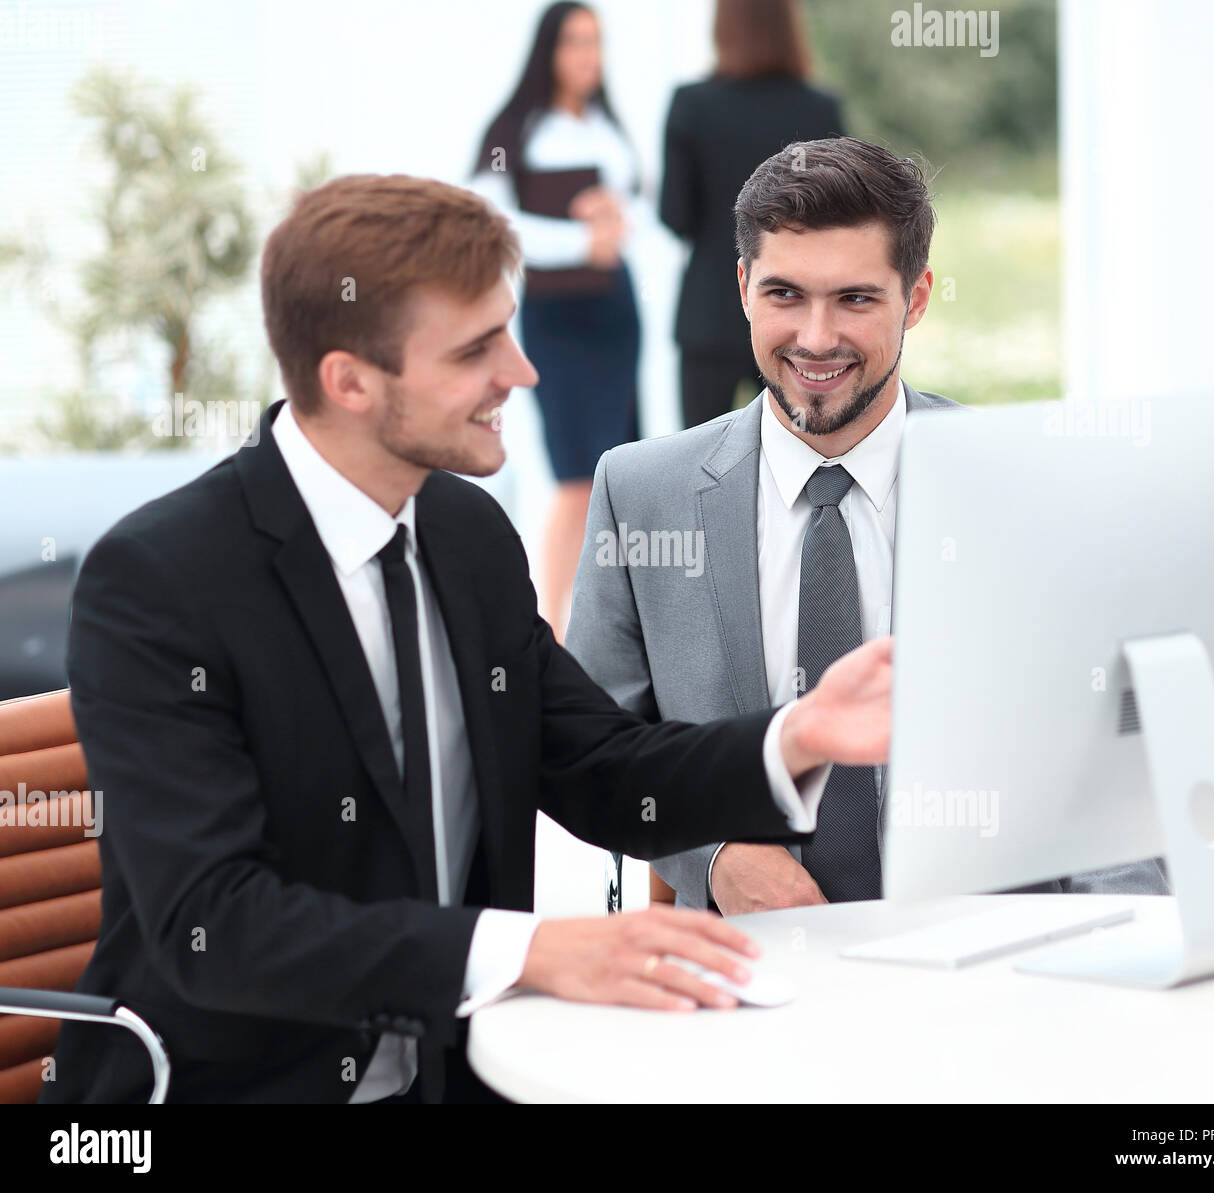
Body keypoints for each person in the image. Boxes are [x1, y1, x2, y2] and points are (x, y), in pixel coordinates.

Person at [38, 173, 895, 1105]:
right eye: (476, 348)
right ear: (351, 381)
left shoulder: (465, 533)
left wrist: (798, 736)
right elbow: (219, 923)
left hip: (463, 1078)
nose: (521, 373)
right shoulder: (161, 581)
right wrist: (533, 948)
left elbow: (601, 768)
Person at [567, 137, 1169, 912]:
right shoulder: (640, 491)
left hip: (993, 969)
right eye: (786, 295)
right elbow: (596, 747)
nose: (816, 339)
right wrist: (712, 854)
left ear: (915, 299)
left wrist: (1131, 946)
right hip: (747, 978)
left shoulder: (1033, 486)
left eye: (855, 299)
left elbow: (1111, 770)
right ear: (745, 286)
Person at [470, 1, 645, 643]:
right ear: (547, 50)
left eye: (595, 42)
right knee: (578, 476)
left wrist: (612, 214)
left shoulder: (607, 125)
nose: (587, 56)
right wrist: (580, 239)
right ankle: (551, 624)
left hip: (616, 314)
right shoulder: (517, 129)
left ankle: (607, 627)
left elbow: (634, 211)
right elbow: (491, 222)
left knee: (617, 466)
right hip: (559, 318)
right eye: (574, 42)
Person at [661, 0, 843, 429]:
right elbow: (840, 215)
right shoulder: (818, 108)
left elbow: (675, 215)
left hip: (709, 314)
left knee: (698, 462)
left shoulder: (691, 104)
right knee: (803, 451)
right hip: (797, 313)